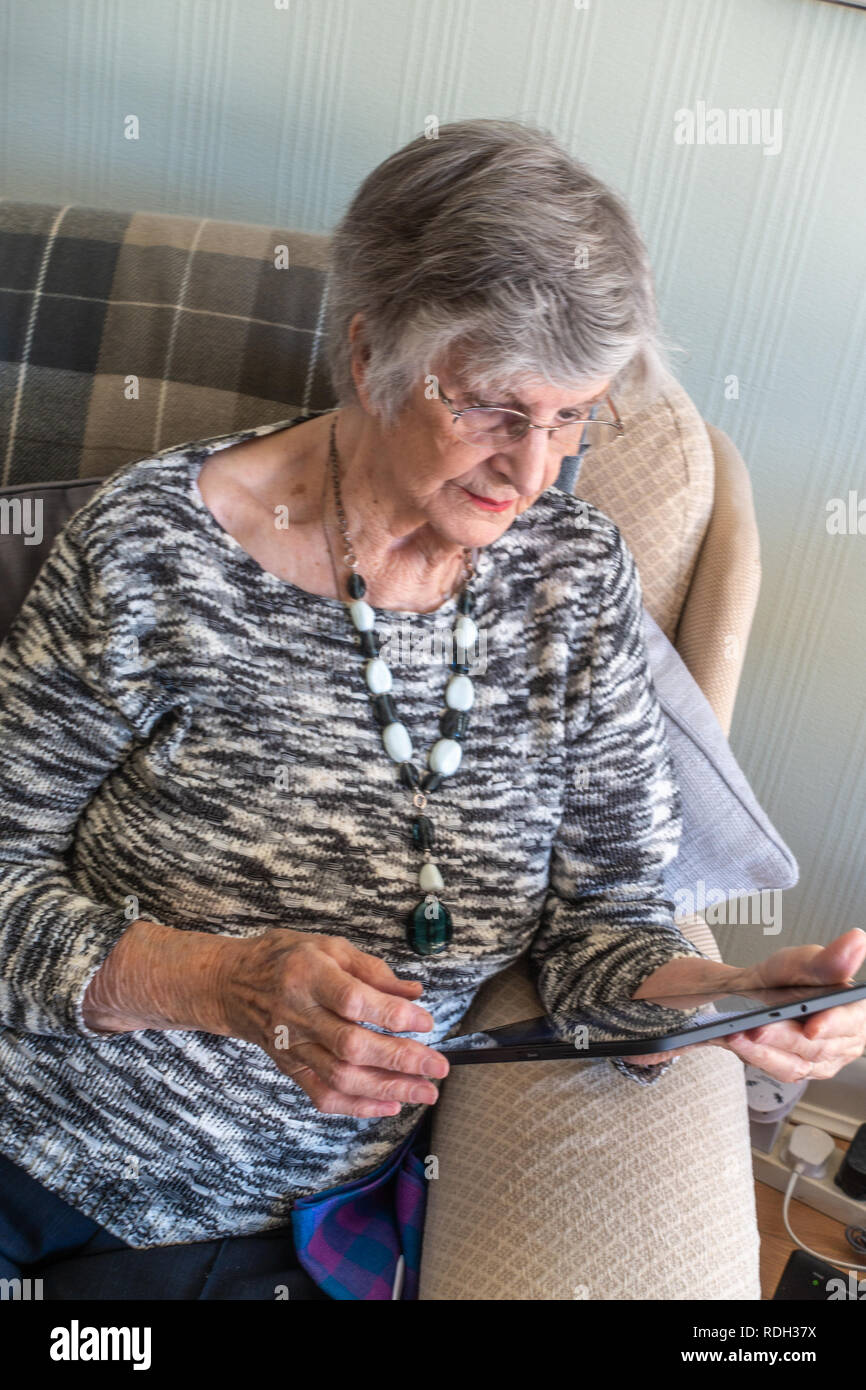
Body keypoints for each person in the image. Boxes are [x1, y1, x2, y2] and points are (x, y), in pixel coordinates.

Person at [1, 118, 864, 1300]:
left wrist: (727, 1000)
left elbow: (598, 929)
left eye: (573, 419)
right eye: (496, 410)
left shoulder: (573, 579)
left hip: (253, 1226)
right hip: (30, 1135)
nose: (533, 471)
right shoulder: (155, 548)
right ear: (369, 358)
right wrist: (219, 981)